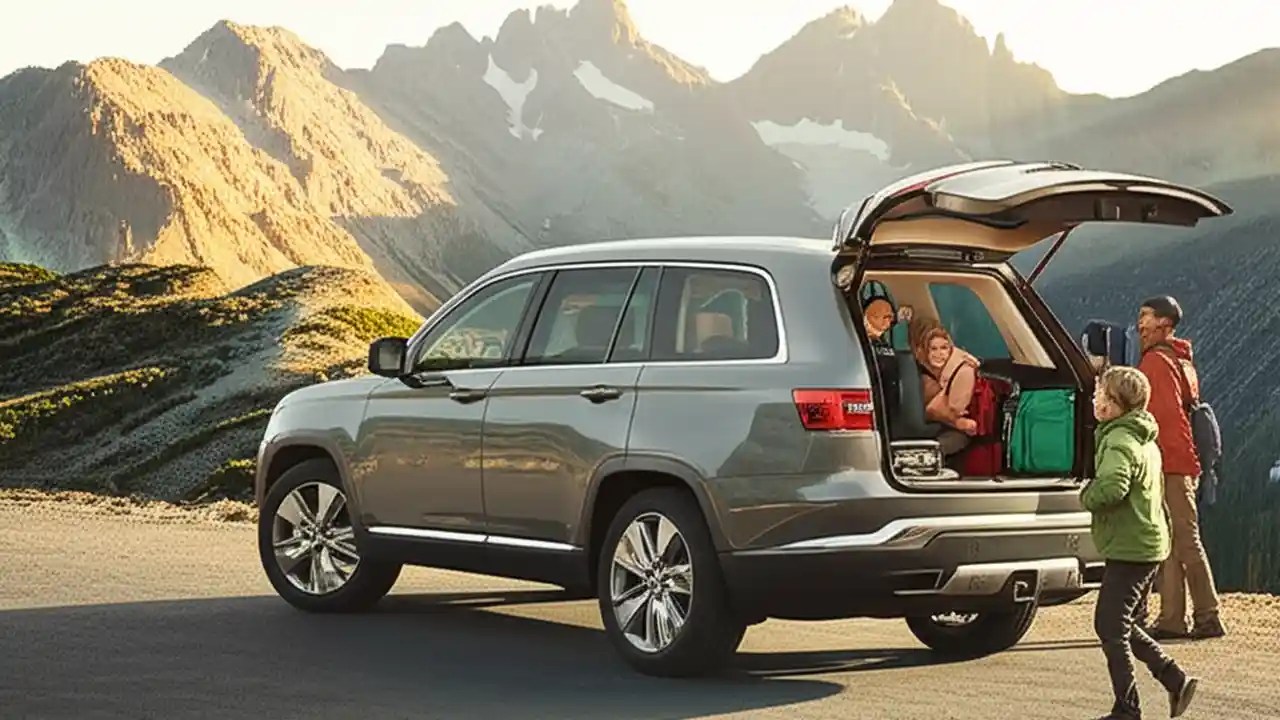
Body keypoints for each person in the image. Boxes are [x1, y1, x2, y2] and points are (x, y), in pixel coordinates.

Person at [1082, 365, 1199, 720]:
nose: (1094, 399)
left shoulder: (1118, 440)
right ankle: (1174, 679)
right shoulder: (1143, 435)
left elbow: (1114, 486)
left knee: (1108, 624)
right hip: (1148, 542)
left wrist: (1087, 494)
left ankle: (1128, 708)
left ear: (1113, 404)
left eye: (1100, 394)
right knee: (1121, 622)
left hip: (1132, 547)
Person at [1135, 296, 1225, 640]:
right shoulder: (1178, 359)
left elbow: (1164, 419)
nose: (1140, 324)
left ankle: (1209, 616)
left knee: (1185, 541)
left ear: (1165, 324)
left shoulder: (1156, 363)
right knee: (1172, 541)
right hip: (1181, 461)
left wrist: (1151, 460)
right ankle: (1172, 619)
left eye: (1146, 317)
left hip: (1170, 461)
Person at [913, 322, 979, 454]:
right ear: (926, 351)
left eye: (944, 348)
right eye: (933, 349)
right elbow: (931, 411)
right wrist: (958, 422)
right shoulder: (923, 376)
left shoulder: (956, 372)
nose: (939, 354)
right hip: (924, 428)